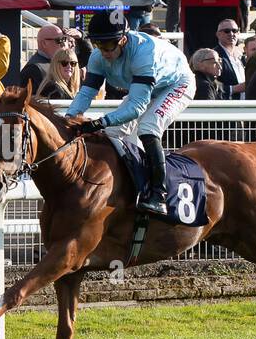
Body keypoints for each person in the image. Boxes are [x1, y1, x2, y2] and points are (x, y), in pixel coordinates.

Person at [63, 11, 195, 216]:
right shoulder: (98, 56)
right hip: (148, 87)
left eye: (108, 46)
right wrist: (69, 117)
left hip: (177, 84)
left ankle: (158, 194)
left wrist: (98, 123)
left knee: (148, 127)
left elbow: (136, 107)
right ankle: (132, 182)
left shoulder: (143, 54)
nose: (104, 52)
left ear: (123, 39)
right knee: (113, 131)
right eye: (98, 45)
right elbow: (87, 92)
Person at [21, 23, 76, 95]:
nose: (63, 44)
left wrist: (82, 37)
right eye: (59, 40)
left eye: (64, 39)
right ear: (44, 43)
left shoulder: (59, 61)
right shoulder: (35, 68)